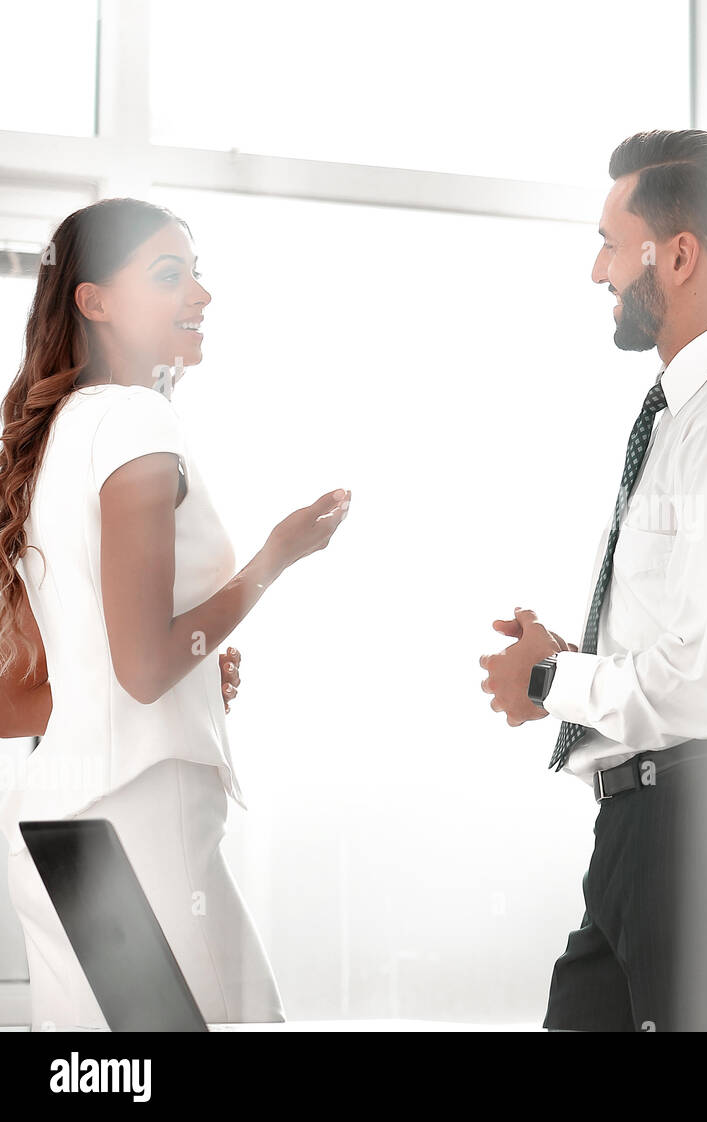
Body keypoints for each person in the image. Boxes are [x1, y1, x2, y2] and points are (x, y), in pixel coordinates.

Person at [478, 130, 707, 1031]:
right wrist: (570, 660)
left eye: (608, 242)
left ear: (677, 254)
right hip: (645, 832)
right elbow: (688, 637)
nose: (597, 270)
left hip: (705, 834)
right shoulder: (688, 415)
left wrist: (555, 682)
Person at [0, 198, 351, 1029]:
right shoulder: (136, 422)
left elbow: (41, 683)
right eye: (169, 274)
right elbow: (145, 667)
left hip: (64, 824)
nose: (200, 294)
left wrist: (190, 661)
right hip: (137, 824)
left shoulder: (52, 439)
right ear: (94, 301)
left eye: (197, 272)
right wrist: (276, 558)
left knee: (108, 1079)